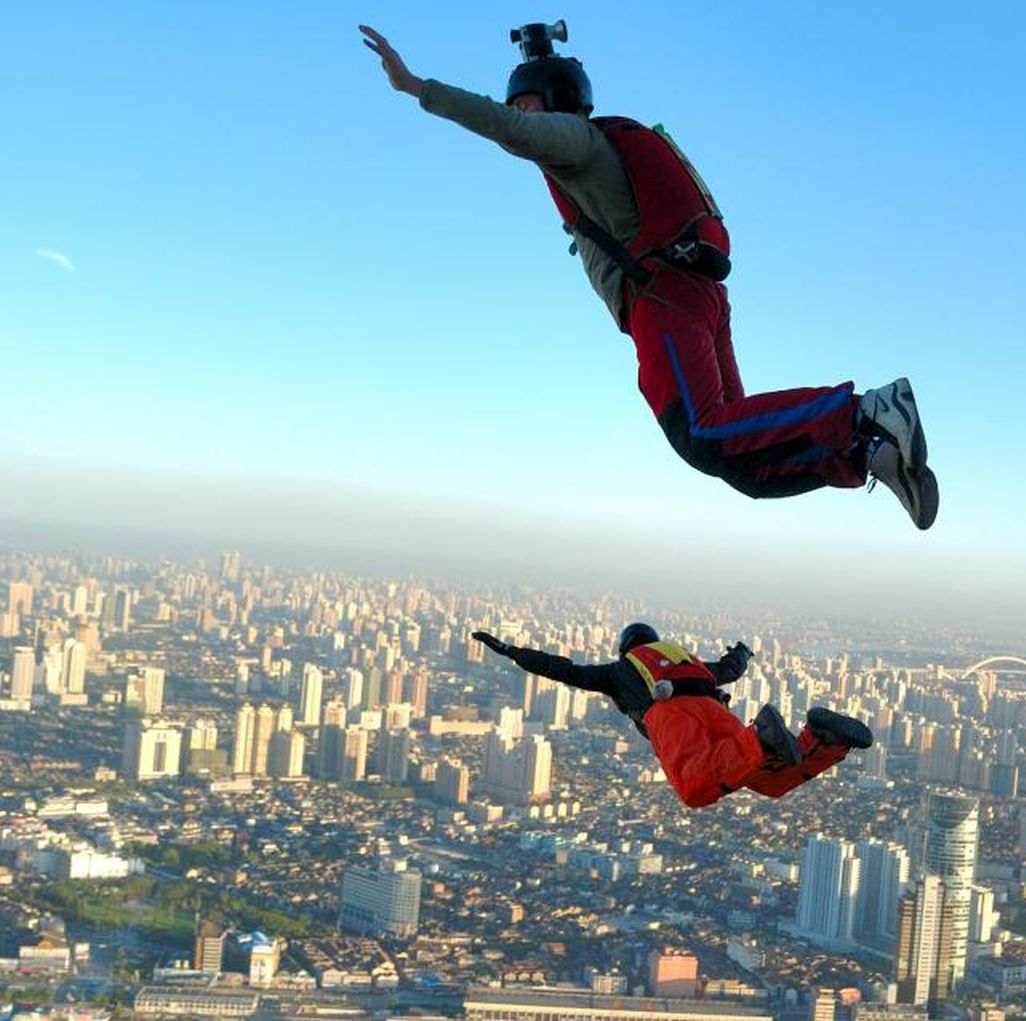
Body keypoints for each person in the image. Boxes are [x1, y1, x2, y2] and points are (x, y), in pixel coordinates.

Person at [360, 23, 937, 529]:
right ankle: (868, 454)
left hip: (665, 300)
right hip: (694, 295)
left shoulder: (578, 139)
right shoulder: (594, 152)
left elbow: (515, 132)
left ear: (558, 102)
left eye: (528, 105)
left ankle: (865, 412)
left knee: (702, 433)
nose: (523, 118)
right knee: (746, 467)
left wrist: (418, 89)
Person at [471, 623, 872, 808]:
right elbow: (729, 670)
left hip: (670, 714)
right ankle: (825, 740)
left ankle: (761, 737)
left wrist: (512, 652)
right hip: (716, 711)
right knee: (764, 779)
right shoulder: (685, 660)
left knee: (694, 787)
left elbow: (565, 670)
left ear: (626, 647)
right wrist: (743, 653)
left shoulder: (620, 670)